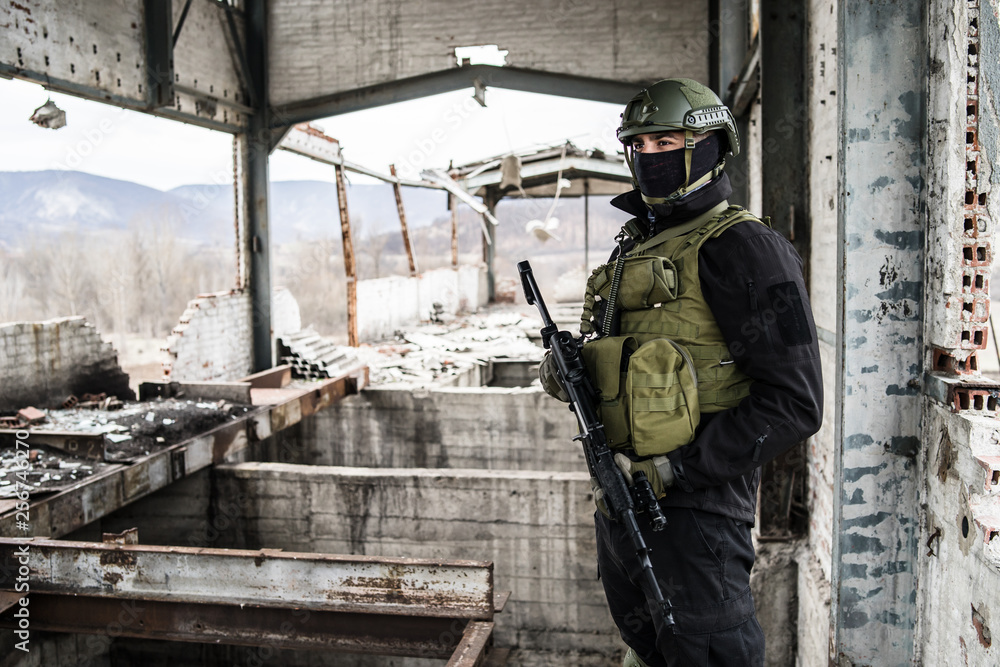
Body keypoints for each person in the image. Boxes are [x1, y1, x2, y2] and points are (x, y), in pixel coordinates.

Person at [538, 78, 823, 666]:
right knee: (648, 651)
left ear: (711, 146)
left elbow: (794, 404)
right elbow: (633, 366)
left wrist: (673, 470)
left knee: (710, 652)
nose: (650, 157)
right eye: (639, 146)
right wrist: (571, 372)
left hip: (697, 515)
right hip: (619, 500)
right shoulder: (638, 245)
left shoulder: (746, 247)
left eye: (666, 142)